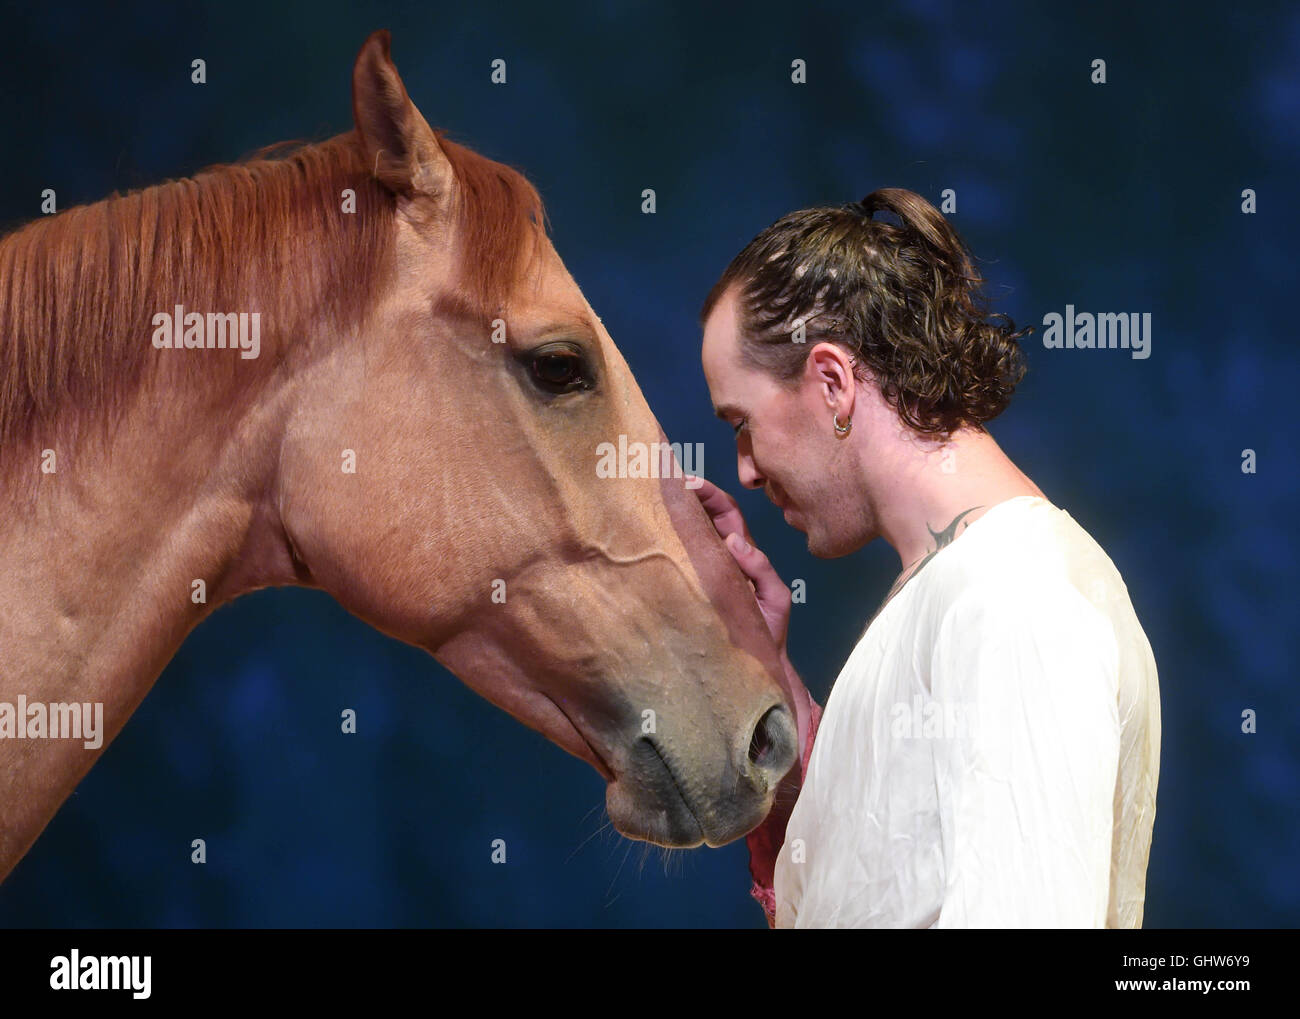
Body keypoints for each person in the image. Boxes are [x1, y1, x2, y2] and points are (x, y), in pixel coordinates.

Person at [692, 188, 1161, 929]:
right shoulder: (960, 591)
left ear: (832, 382)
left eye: (741, 424)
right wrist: (771, 681)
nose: (744, 469)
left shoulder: (1011, 595)